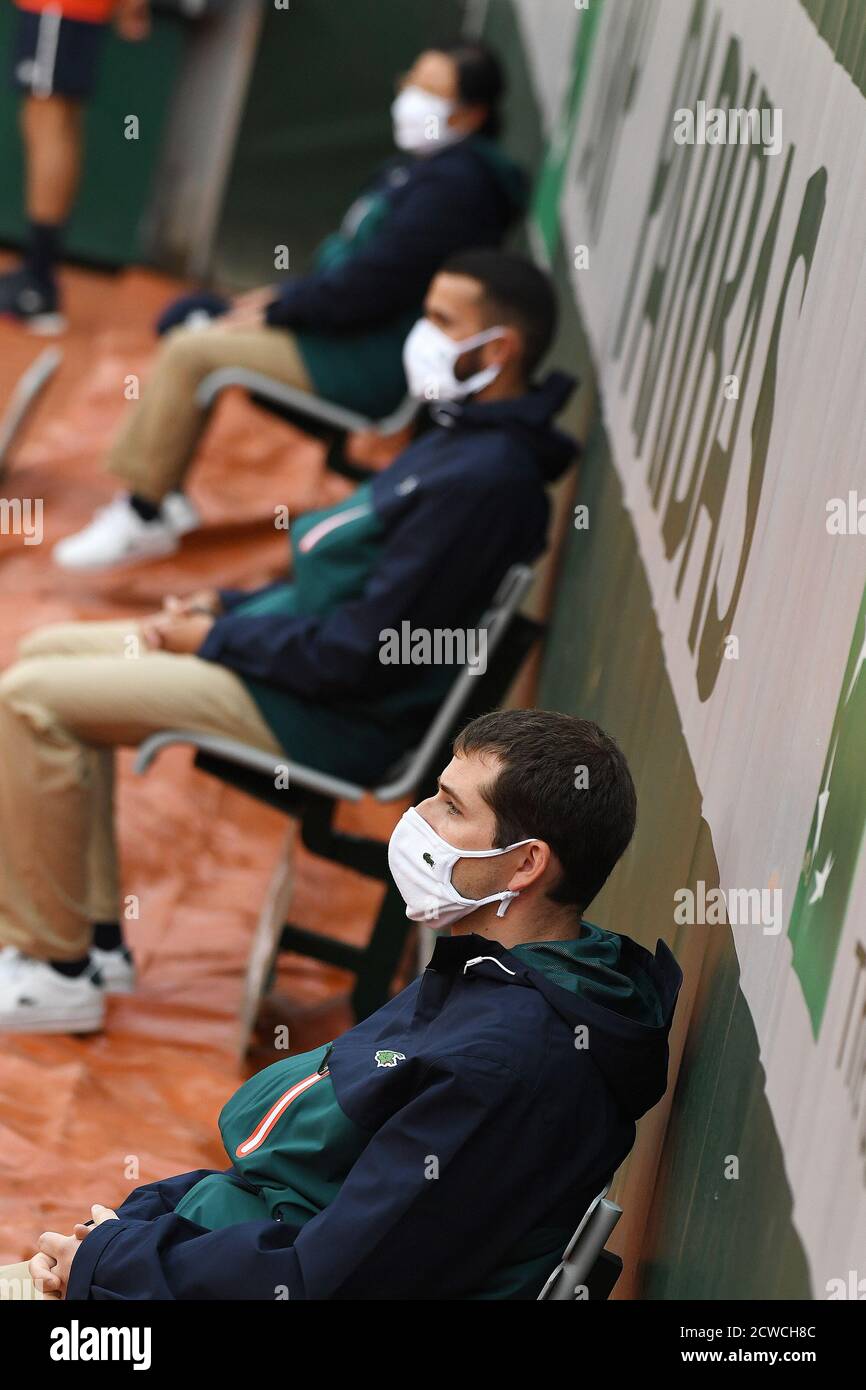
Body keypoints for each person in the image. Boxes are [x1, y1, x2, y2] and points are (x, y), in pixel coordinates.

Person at [0, 250, 577, 1034]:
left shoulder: (486, 480)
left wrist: (216, 637)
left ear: (498, 349)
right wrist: (224, 604)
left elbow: (360, 654)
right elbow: (338, 595)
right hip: (290, 665)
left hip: (326, 712)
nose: (421, 335)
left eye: (443, 321)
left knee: (31, 700)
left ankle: (54, 969)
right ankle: (96, 945)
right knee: (46, 654)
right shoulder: (462, 435)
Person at [1, 708, 683, 1301]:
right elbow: (298, 1198)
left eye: (451, 808)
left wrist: (117, 1263)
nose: (417, 819)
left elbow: (324, 1282)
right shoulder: (498, 974)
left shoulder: (503, 1063)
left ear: (526, 864)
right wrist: (131, 1232)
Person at [52, 40, 528, 572]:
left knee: (193, 350)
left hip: (368, 358)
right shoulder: (420, 168)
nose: (412, 98)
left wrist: (280, 311)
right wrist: (280, 300)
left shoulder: (458, 188)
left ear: (472, 113)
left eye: (432, 89)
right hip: (342, 332)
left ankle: (144, 512)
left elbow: (370, 290)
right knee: (192, 316)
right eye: (411, 81)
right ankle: (167, 491)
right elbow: (351, 276)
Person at [0, 0, 150, 331]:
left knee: (48, 120)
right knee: (57, 121)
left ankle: (37, 283)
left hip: (58, 7)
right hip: (75, 10)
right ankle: (38, 272)